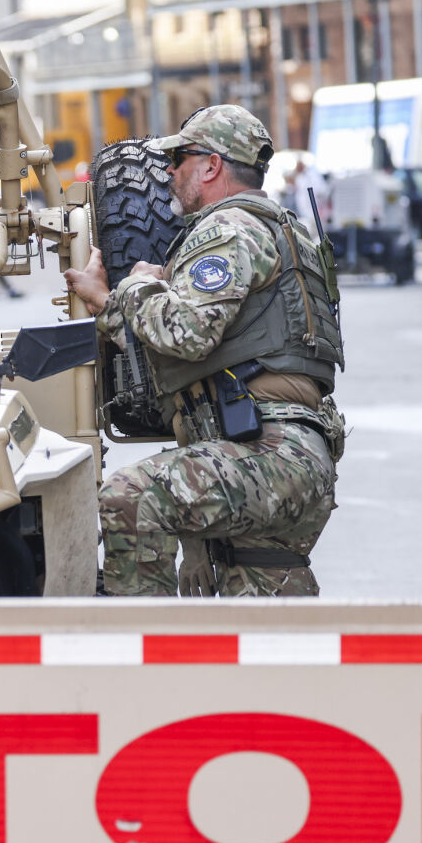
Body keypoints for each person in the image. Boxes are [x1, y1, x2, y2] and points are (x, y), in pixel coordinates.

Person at [65, 106, 345, 597]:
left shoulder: (229, 230)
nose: (170, 173)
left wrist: (135, 286)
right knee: (262, 624)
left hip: (267, 450)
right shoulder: (282, 229)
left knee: (130, 498)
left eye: (181, 159)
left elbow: (186, 335)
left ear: (212, 166)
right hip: (291, 452)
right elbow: (208, 350)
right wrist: (106, 304)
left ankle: (143, 650)